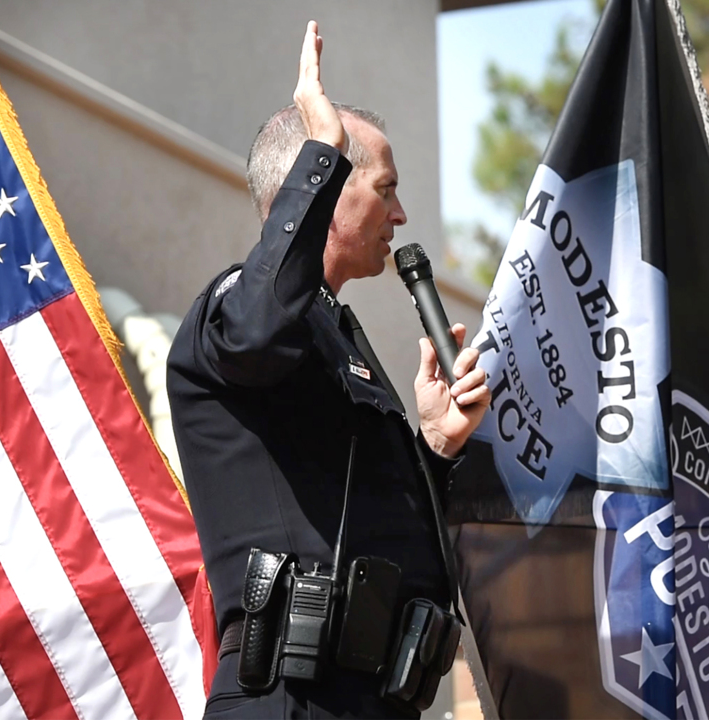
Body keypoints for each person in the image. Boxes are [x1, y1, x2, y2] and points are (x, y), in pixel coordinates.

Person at [166, 22, 490, 718]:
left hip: (373, 699)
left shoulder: (335, 329)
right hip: (288, 698)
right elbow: (256, 335)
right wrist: (324, 151)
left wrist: (434, 446)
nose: (399, 214)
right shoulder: (237, 307)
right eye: (385, 189)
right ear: (330, 190)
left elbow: (383, 524)